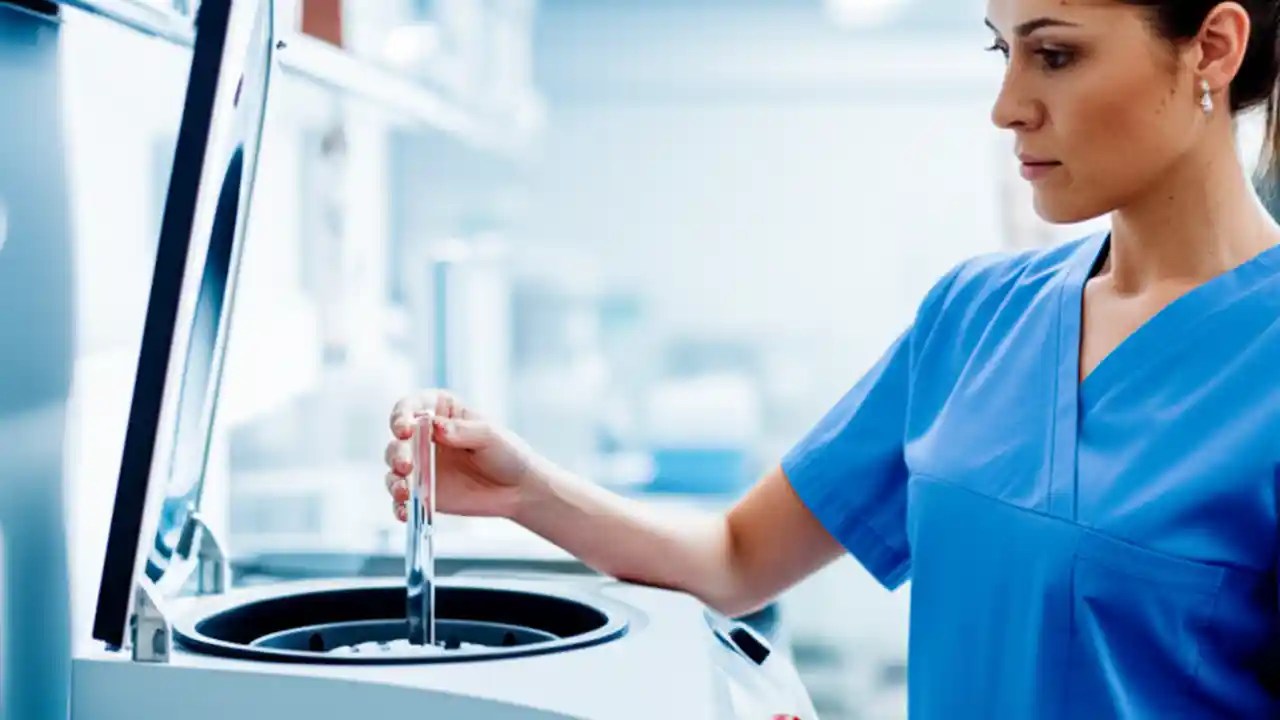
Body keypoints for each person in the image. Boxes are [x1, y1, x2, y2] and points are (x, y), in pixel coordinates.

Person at [384, 0, 1280, 715]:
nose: (1006, 105)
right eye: (998, 50)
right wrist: (523, 490)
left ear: (1211, 46)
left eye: (1053, 55)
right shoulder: (975, 319)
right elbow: (735, 560)